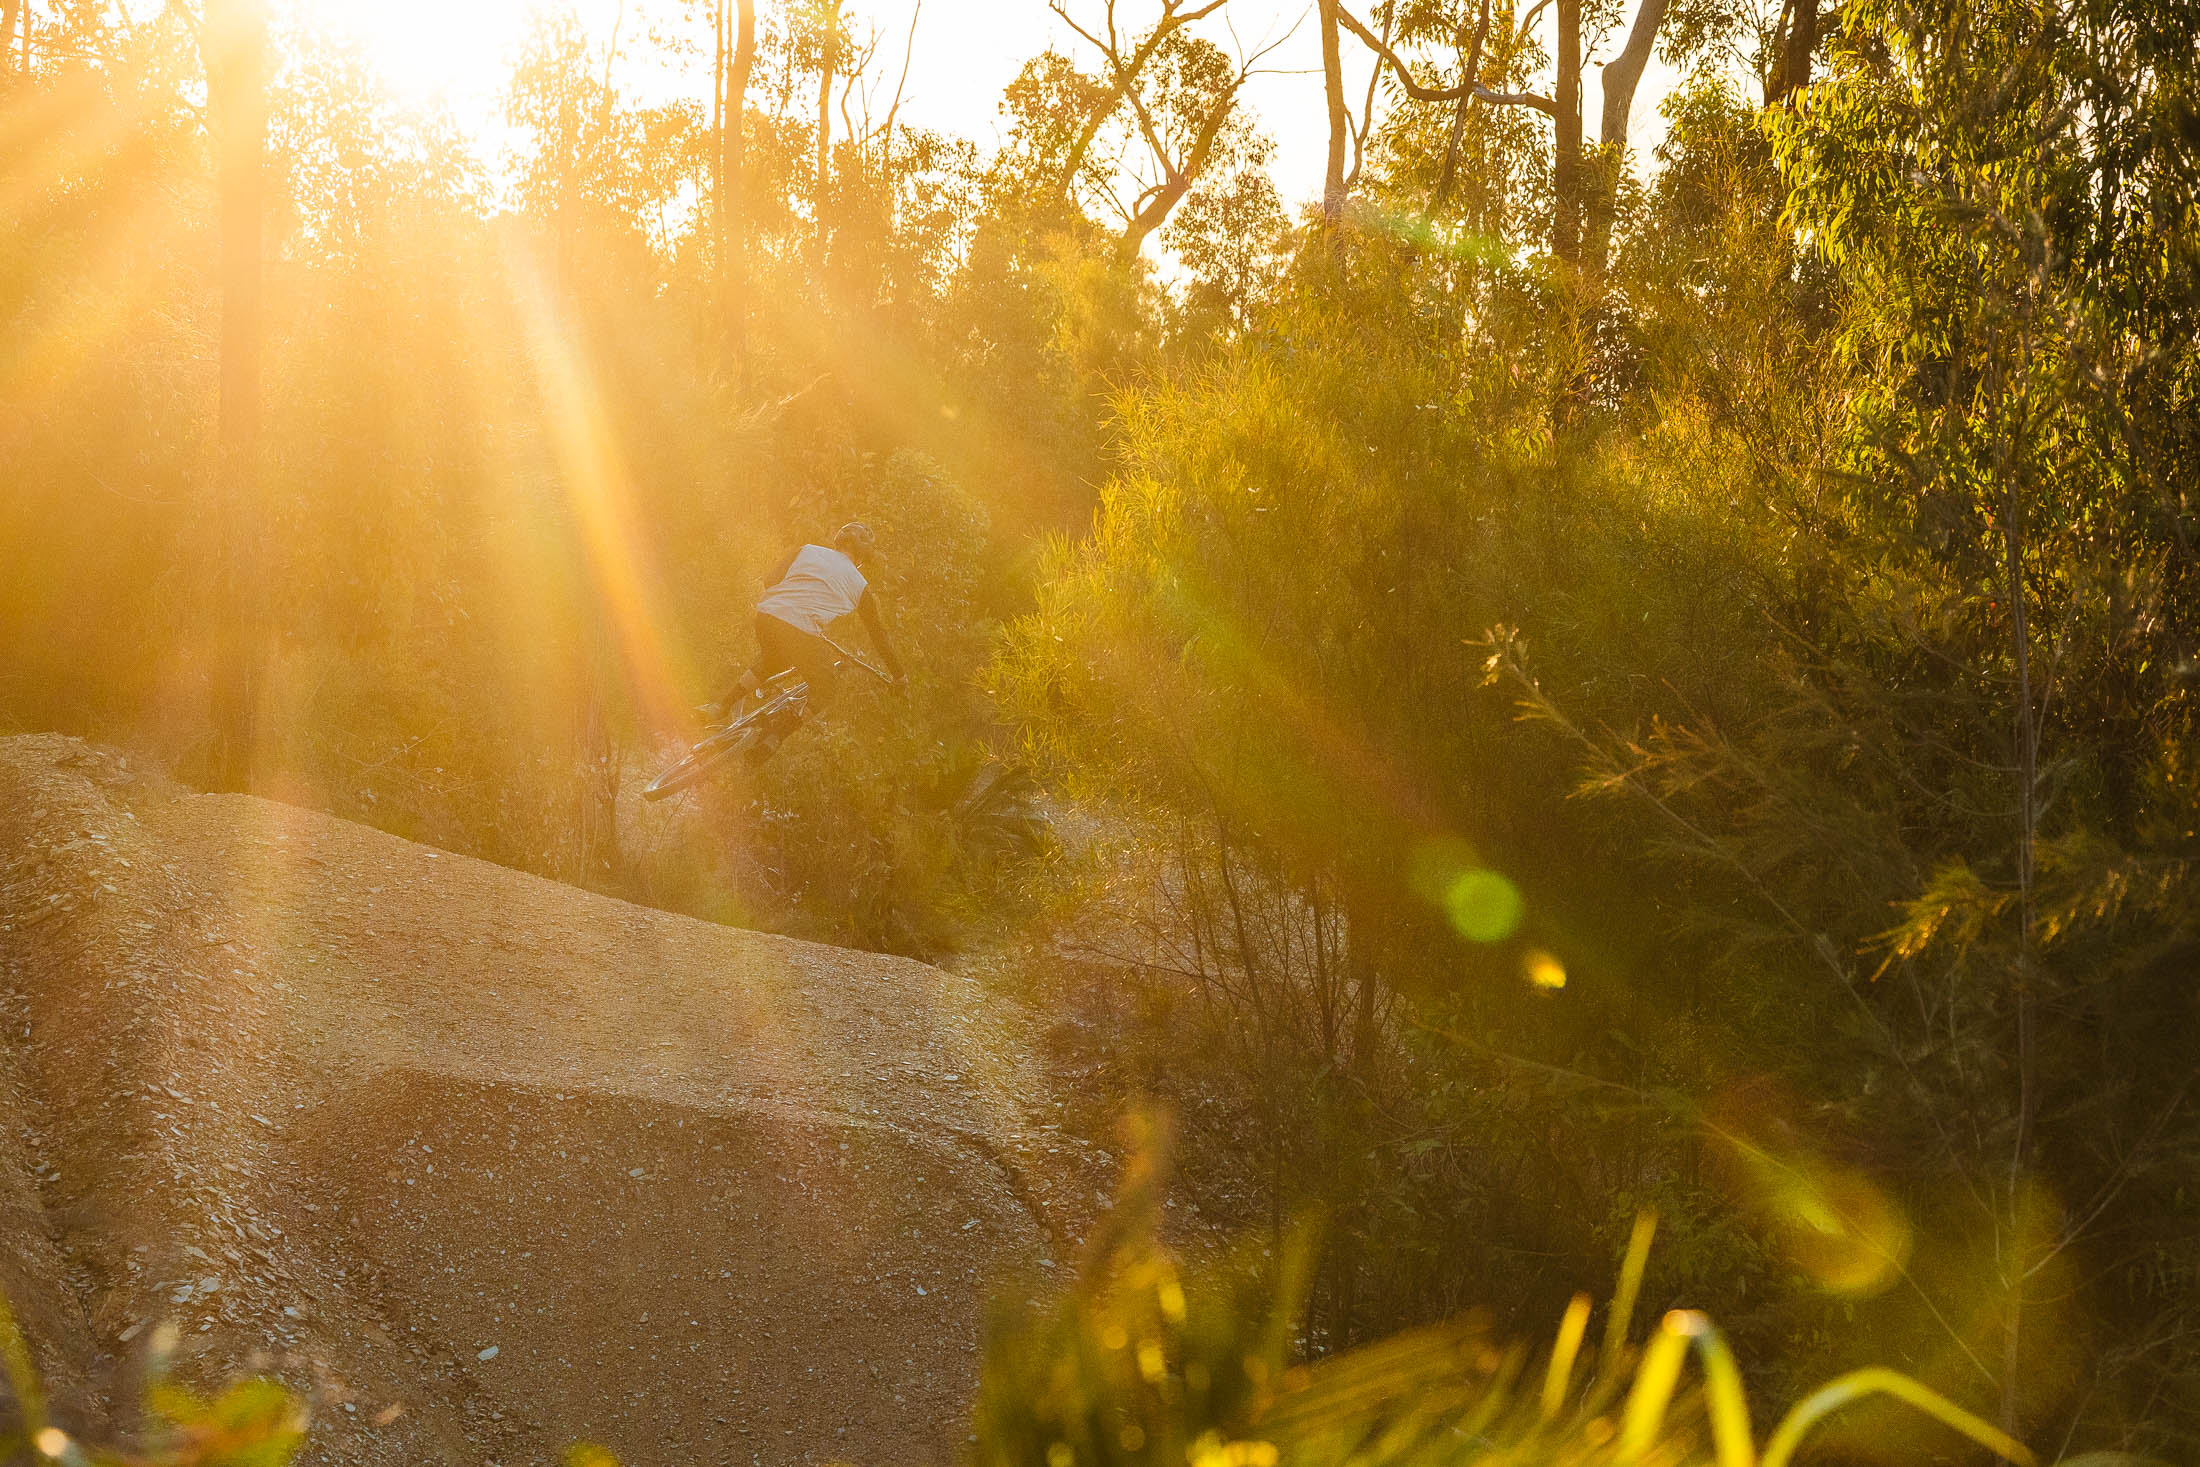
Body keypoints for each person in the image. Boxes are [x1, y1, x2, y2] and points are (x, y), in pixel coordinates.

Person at [711, 522, 905, 736]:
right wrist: (899, 676)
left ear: (839, 540)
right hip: (800, 630)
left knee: (773, 660)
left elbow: (769, 581)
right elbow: (878, 635)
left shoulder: (807, 550)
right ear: (862, 555)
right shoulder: (860, 586)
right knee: (826, 688)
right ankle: (776, 737)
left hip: (766, 617)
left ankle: (721, 706)